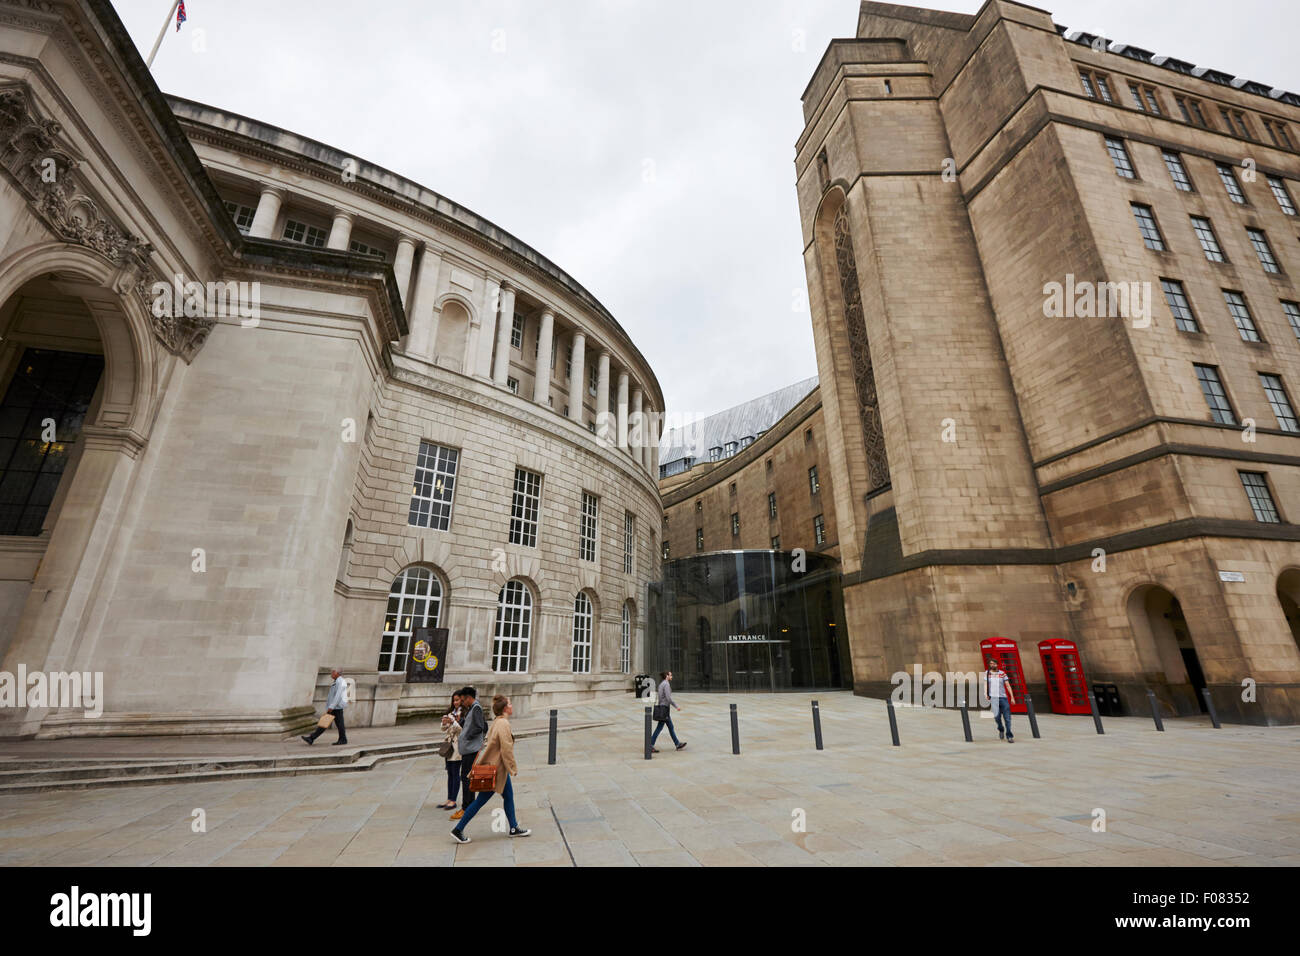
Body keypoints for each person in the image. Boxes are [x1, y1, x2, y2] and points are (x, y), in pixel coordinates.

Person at [450, 695, 530, 844]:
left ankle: (513, 827)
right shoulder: (503, 724)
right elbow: (506, 749)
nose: (512, 706)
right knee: (480, 800)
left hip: (497, 769)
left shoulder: (498, 722)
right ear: (505, 708)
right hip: (496, 771)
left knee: (508, 796)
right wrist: (512, 767)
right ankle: (458, 829)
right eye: (510, 704)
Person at [452, 686, 486, 820]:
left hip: (471, 750)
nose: (461, 702)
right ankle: (468, 805)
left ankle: (467, 807)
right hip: (468, 749)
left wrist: (466, 737)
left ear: (468, 698)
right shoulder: (471, 709)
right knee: (467, 778)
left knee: (467, 779)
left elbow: (480, 726)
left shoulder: (476, 708)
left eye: (462, 700)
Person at [302, 668, 349, 746]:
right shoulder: (338, 681)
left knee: (330, 723)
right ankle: (312, 738)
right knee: (332, 723)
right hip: (335, 707)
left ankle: (312, 738)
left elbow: (338, 696)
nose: (331, 673)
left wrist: (331, 706)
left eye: (333, 672)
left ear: (337, 673)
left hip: (336, 707)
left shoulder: (340, 682)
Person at [435, 692, 463, 810]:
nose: (455, 703)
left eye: (457, 700)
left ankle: (453, 800)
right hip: (449, 745)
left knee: (455, 773)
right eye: (454, 700)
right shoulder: (451, 713)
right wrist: (444, 722)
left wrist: (454, 722)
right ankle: (449, 798)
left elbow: (462, 730)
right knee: (449, 772)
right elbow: (443, 729)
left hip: (457, 746)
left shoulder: (464, 713)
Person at [650, 670, 687, 753]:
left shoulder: (661, 684)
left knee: (670, 727)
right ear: (667, 676)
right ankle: (650, 745)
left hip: (663, 708)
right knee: (660, 728)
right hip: (664, 709)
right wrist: (676, 706)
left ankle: (677, 744)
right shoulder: (666, 684)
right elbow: (668, 698)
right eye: (670, 675)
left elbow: (660, 697)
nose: (671, 676)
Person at [986, 660, 1015, 743]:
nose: (992, 665)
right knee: (997, 717)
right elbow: (985, 685)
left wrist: (1012, 697)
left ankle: (1009, 736)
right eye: (991, 663)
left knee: (1007, 718)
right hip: (994, 698)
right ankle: (1001, 729)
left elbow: (1008, 685)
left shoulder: (1002, 673)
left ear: (997, 665)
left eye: (994, 663)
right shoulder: (987, 674)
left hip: (1003, 698)